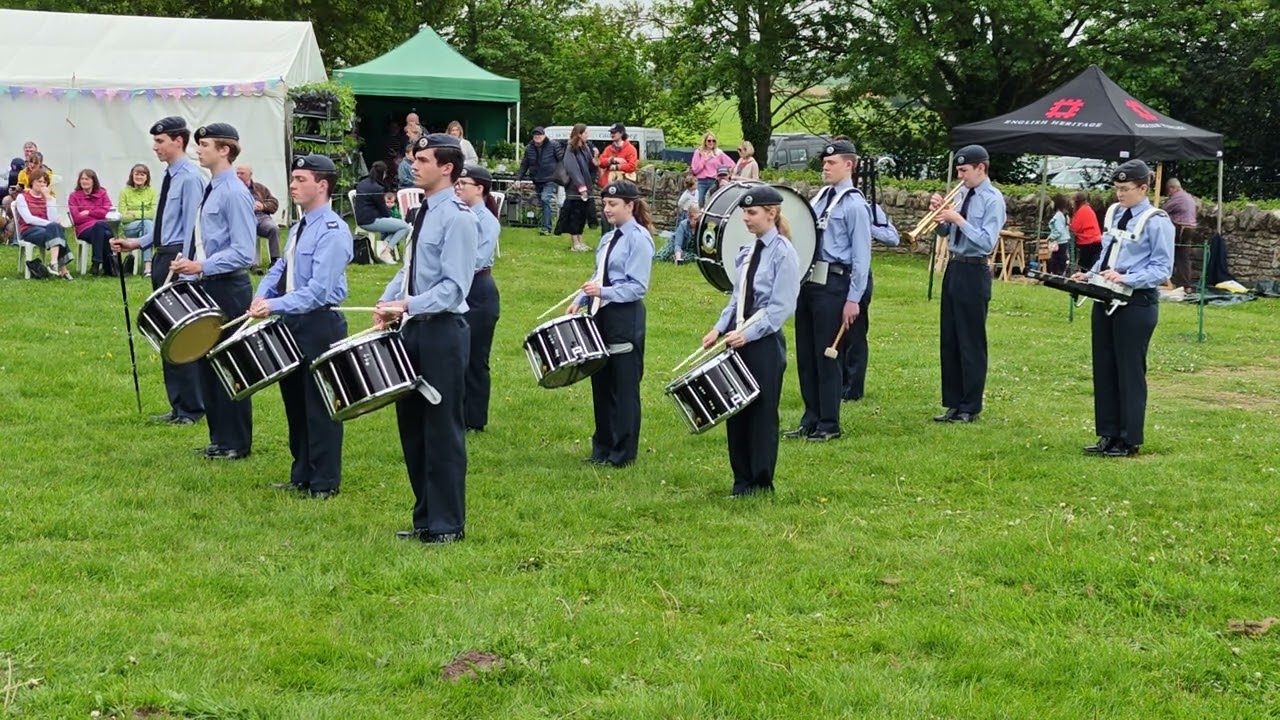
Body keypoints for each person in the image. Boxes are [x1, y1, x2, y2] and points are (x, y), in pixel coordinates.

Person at [375, 133, 478, 545]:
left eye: (423, 160)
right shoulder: (423, 211)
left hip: (442, 332)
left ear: (447, 168)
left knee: (441, 430)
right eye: (414, 159)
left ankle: (447, 524)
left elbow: (454, 288)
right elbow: (410, 268)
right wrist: (388, 301)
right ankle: (425, 519)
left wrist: (407, 305)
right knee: (413, 428)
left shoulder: (458, 217)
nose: (414, 166)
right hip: (414, 328)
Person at [250, 154, 352, 498]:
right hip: (292, 320)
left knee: (321, 405)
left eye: (300, 179)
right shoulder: (300, 226)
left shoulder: (333, 231)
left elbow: (318, 291)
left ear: (322, 186)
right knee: (295, 402)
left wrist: (273, 305)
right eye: (293, 178)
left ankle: (325, 481)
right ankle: (302, 473)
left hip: (320, 322)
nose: (292, 185)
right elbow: (282, 267)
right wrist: (262, 294)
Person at [701, 186, 800, 496]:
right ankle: (740, 481)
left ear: (771, 214)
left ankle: (760, 482)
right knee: (736, 411)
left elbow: (780, 307)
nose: (745, 218)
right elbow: (737, 297)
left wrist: (748, 334)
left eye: (752, 212)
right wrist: (719, 328)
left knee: (761, 415)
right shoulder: (747, 251)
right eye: (744, 212)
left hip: (763, 344)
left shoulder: (783, 252)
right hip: (737, 341)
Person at [170, 123, 257, 460]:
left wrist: (201, 266)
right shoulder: (213, 187)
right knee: (207, 361)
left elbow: (244, 251)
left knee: (230, 363)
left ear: (225, 150)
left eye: (205, 144)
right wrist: (191, 263)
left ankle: (236, 441)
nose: (198, 149)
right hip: (209, 283)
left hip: (229, 286)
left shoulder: (233, 191)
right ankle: (220, 438)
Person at [112, 116, 206, 426]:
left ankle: (192, 407)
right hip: (163, 255)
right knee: (168, 333)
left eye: (160, 141)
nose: (155, 147)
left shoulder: (190, 178)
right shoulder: (169, 176)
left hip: (179, 260)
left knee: (183, 335)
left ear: (178, 141)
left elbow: (193, 227)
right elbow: (165, 222)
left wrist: (188, 269)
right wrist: (137, 243)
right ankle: (177, 405)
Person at [1075, 160, 1173, 458]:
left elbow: (1162, 269)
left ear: (1143, 188)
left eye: (1126, 189)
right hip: (1106, 298)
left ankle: (1129, 438)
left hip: (1135, 303)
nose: (1119, 194)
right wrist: (1090, 274)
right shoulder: (1115, 214)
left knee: (1128, 371)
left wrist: (1127, 278)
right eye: (1117, 188)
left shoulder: (1157, 221)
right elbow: (1107, 254)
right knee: (1104, 367)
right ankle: (1108, 433)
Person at [785, 140, 870, 441]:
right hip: (810, 281)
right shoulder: (821, 197)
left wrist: (853, 299)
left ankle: (829, 423)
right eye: (824, 162)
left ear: (849, 165)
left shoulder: (855, 205)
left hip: (834, 283)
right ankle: (811, 417)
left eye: (832, 163)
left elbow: (861, 257)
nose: (825, 166)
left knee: (827, 355)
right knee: (807, 355)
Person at [571, 181, 654, 468]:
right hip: (600, 314)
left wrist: (602, 292)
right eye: (605, 203)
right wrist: (581, 298)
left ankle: (623, 452)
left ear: (630, 206)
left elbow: (637, 287)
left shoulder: (638, 239)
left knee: (623, 386)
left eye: (613, 204)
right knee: (602, 382)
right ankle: (602, 448)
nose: (606, 209)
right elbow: (599, 274)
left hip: (624, 316)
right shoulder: (608, 238)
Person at [931, 144, 1005, 424]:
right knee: (950, 337)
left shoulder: (992, 199)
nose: (960, 177)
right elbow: (945, 232)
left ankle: (970, 406)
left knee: (970, 340)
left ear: (980, 168)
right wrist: (940, 217)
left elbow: (986, 241)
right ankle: (953, 402)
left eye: (964, 171)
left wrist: (959, 220)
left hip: (975, 270)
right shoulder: (961, 194)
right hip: (955, 266)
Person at [455, 165, 502, 432]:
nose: (458, 187)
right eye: (457, 183)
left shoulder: (487, 221)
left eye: (464, 183)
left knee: (475, 358)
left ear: (480, 189)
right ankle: (458, 414)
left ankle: (474, 419)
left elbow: (477, 260)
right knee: (457, 355)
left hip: (478, 291)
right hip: (458, 288)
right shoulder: (459, 215)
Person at [841, 200, 900, 401]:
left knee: (855, 334)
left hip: (859, 274)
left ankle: (853, 389)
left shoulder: (868, 207)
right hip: (835, 275)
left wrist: (865, 227)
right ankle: (838, 384)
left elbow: (892, 238)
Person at [13, 169, 73, 279]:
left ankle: (54, 263)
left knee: (55, 229)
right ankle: (63, 269)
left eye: (44, 182)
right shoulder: (22, 197)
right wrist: (50, 224)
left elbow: (52, 218)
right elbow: (28, 219)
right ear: (32, 182)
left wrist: (49, 199)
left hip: (47, 230)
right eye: (39, 181)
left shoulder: (49, 198)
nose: (42, 184)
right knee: (56, 230)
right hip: (29, 230)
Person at [355, 161, 410, 264]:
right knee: (405, 227)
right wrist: (392, 217)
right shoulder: (377, 188)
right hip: (371, 221)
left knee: (395, 226)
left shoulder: (362, 183)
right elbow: (383, 209)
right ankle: (387, 251)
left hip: (361, 219)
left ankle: (385, 244)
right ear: (383, 173)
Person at [68, 169, 116, 276]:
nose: (84, 181)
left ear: (93, 181)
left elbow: (107, 212)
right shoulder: (74, 196)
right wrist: (98, 214)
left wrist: (89, 212)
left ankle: (96, 264)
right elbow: (76, 218)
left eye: (87, 179)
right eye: (82, 179)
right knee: (105, 233)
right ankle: (109, 266)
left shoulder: (102, 193)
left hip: (102, 225)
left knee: (100, 226)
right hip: (85, 229)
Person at [516, 127, 564, 236]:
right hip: (537, 180)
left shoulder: (553, 146)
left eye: (540, 135)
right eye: (535, 135)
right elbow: (524, 165)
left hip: (551, 179)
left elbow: (562, 160)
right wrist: (518, 179)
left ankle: (546, 228)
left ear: (544, 135)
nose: (537, 137)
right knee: (543, 203)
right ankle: (546, 225)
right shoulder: (529, 148)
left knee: (545, 199)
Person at [556, 123, 596, 252]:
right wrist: (581, 186)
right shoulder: (570, 149)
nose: (587, 135)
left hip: (585, 186)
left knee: (582, 215)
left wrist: (596, 158)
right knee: (574, 215)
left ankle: (581, 241)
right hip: (574, 188)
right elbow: (573, 169)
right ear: (579, 134)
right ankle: (575, 243)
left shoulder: (585, 148)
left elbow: (590, 165)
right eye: (585, 133)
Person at [234, 164, 281, 270]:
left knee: (273, 228)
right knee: (249, 229)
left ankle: (275, 260)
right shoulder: (233, 188)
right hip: (242, 218)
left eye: (242, 173)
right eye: (237, 173)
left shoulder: (260, 188)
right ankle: (253, 264)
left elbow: (274, 203)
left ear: (250, 175)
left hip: (261, 217)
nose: (238, 176)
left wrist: (263, 206)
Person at [117, 164, 158, 275]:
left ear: (147, 177)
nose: (139, 177)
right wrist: (143, 213)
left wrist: (134, 213)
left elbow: (153, 213)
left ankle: (147, 268)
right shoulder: (124, 192)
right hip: (129, 228)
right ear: (132, 175)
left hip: (146, 226)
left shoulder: (152, 192)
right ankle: (148, 265)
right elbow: (123, 217)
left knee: (146, 227)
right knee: (147, 224)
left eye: (142, 174)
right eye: (137, 174)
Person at [1162, 178, 1198, 288]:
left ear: (1172, 188)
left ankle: (1165, 280)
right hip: (1190, 228)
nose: (1169, 194)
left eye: (1168, 191)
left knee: (1165, 252)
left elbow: (1163, 210)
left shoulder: (1177, 197)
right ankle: (1186, 286)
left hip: (1180, 228)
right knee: (1183, 257)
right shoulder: (1188, 197)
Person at [691, 132, 734, 204]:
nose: (711, 143)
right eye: (709, 141)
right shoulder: (698, 152)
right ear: (705, 141)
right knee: (700, 202)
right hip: (701, 181)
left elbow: (731, 164)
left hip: (714, 181)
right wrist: (704, 160)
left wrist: (726, 175)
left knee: (712, 202)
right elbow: (695, 170)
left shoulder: (718, 153)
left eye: (713, 141)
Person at [1070, 191, 1102, 272]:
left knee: (1085, 267)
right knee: (1094, 266)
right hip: (1096, 240)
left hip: (1087, 241)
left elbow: (1075, 228)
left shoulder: (1081, 211)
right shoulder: (1088, 209)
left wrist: (1069, 226)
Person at [598, 124, 638, 188]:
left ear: (621, 133)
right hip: (608, 185)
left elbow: (632, 166)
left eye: (614, 132)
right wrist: (612, 159)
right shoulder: (608, 148)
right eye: (611, 132)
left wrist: (616, 167)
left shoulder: (631, 149)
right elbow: (600, 162)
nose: (612, 134)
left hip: (624, 186)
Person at [1046, 193, 1072, 275]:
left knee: (1057, 261)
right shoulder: (1064, 215)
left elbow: (1058, 230)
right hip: (1064, 241)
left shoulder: (1057, 216)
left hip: (1059, 242)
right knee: (1061, 260)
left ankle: (1057, 275)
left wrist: (1051, 237)